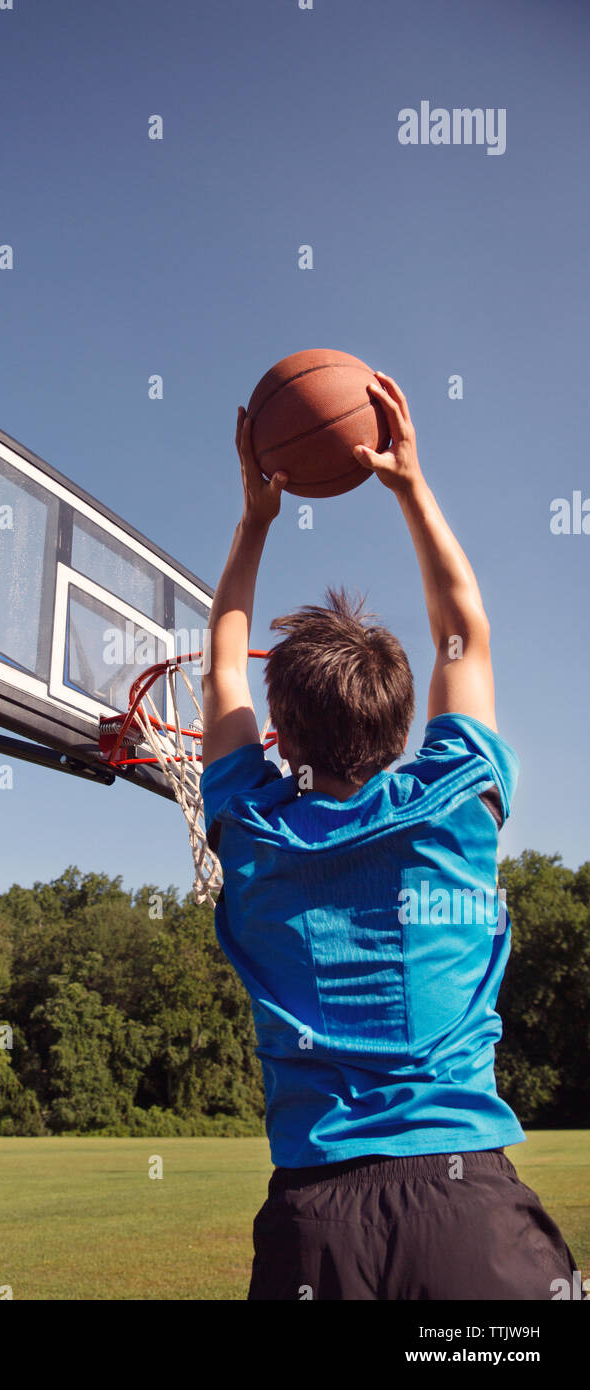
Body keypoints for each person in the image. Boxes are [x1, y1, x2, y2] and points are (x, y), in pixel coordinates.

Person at [200, 371, 581, 1300]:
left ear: (280, 737)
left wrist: (255, 521)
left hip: (317, 1222)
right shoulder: (455, 800)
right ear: (408, 723)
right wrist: (409, 483)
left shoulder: (254, 824)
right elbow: (466, 629)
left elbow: (219, 663)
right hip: (472, 1211)